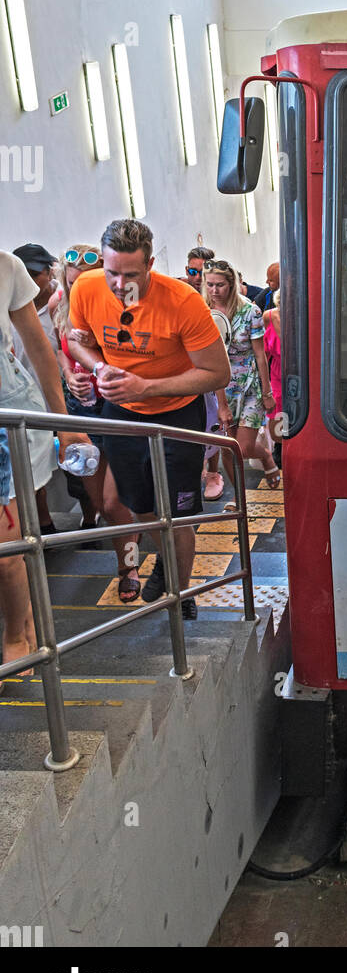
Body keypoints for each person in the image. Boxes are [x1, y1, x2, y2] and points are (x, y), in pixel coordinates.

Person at [66, 219, 230, 617]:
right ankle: (164, 562)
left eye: (131, 275)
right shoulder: (87, 288)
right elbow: (75, 337)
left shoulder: (182, 301)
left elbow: (218, 373)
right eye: (111, 273)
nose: (120, 285)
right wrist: (96, 369)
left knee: (178, 512)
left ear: (151, 264)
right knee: (139, 505)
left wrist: (146, 387)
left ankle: (181, 593)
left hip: (176, 414)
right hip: (123, 413)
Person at [0, 250, 89, 679]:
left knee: (5, 547)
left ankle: (17, 633)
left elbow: (38, 349)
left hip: (6, 422)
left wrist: (65, 426)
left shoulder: (6, 268)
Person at [50, 244, 139, 599]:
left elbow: (134, 352)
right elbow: (59, 348)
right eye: (72, 284)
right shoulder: (60, 305)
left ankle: (128, 566)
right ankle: (133, 530)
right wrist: (67, 375)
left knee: (115, 503)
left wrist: (97, 351)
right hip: (80, 411)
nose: (78, 289)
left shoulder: (121, 306)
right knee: (100, 505)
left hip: (116, 410)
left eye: (85, 282)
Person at [203, 261, 279, 508]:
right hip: (219, 385)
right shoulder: (204, 312)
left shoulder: (251, 312)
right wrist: (221, 404)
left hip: (249, 385)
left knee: (243, 448)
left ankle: (265, 455)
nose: (214, 290)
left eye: (220, 285)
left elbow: (259, 355)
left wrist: (267, 392)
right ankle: (240, 496)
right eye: (210, 285)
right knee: (227, 446)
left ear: (232, 284)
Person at [12, 243, 62, 534]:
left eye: (34, 273)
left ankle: (92, 522)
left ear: (48, 272)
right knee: (31, 470)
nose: (29, 281)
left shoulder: (62, 302)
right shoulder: (12, 305)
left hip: (60, 400)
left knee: (76, 473)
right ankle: (43, 523)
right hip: (26, 403)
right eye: (24, 274)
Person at [180, 247, 224, 502]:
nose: (197, 277)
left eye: (203, 271)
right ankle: (199, 468)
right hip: (184, 373)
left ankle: (214, 473)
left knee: (213, 423)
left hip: (211, 372)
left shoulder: (219, 298)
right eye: (193, 271)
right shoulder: (180, 294)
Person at [262, 288, 282, 462]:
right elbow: (263, 354)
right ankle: (280, 448)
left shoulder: (304, 316)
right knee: (278, 410)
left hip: (304, 374)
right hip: (277, 373)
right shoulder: (268, 316)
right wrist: (264, 384)